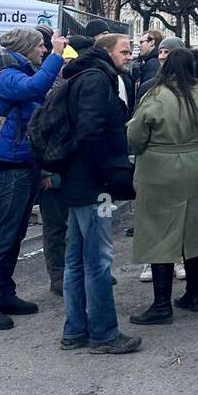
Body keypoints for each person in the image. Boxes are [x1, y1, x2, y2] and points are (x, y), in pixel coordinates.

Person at [0, 29, 68, 330]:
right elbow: (35, 88)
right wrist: (56, 54)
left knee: (14, 234)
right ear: (26, 48)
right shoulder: (8, 76)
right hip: (11, 165)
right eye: (39, 46)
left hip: (23, 162)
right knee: (3, 234)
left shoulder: (18, 71)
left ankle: (4, 292)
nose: (42, 50)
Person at [59, 33, 141, 354]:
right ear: (106, 52)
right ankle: (104, 334)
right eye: (124, 51)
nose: (129, 56)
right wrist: (106, 172)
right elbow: (90, 132)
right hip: (92, 186)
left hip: (79, 182)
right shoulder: (96, 80)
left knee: (76, 260)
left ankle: (74, 330)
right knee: (97, 262)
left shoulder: (82, 77)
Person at [127, 48, 198, 323]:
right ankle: (193, 294)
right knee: (193, 229)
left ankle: (161, 305)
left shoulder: (155, 95)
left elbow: (136, 133)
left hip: (159, 168)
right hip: (193, 166)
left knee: (159, 232)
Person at [132, 29, 162, 103]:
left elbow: (149, 93)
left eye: (141, 42)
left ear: (152, 42)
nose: (139, 45)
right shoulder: (153, 61)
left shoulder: (153, 64)